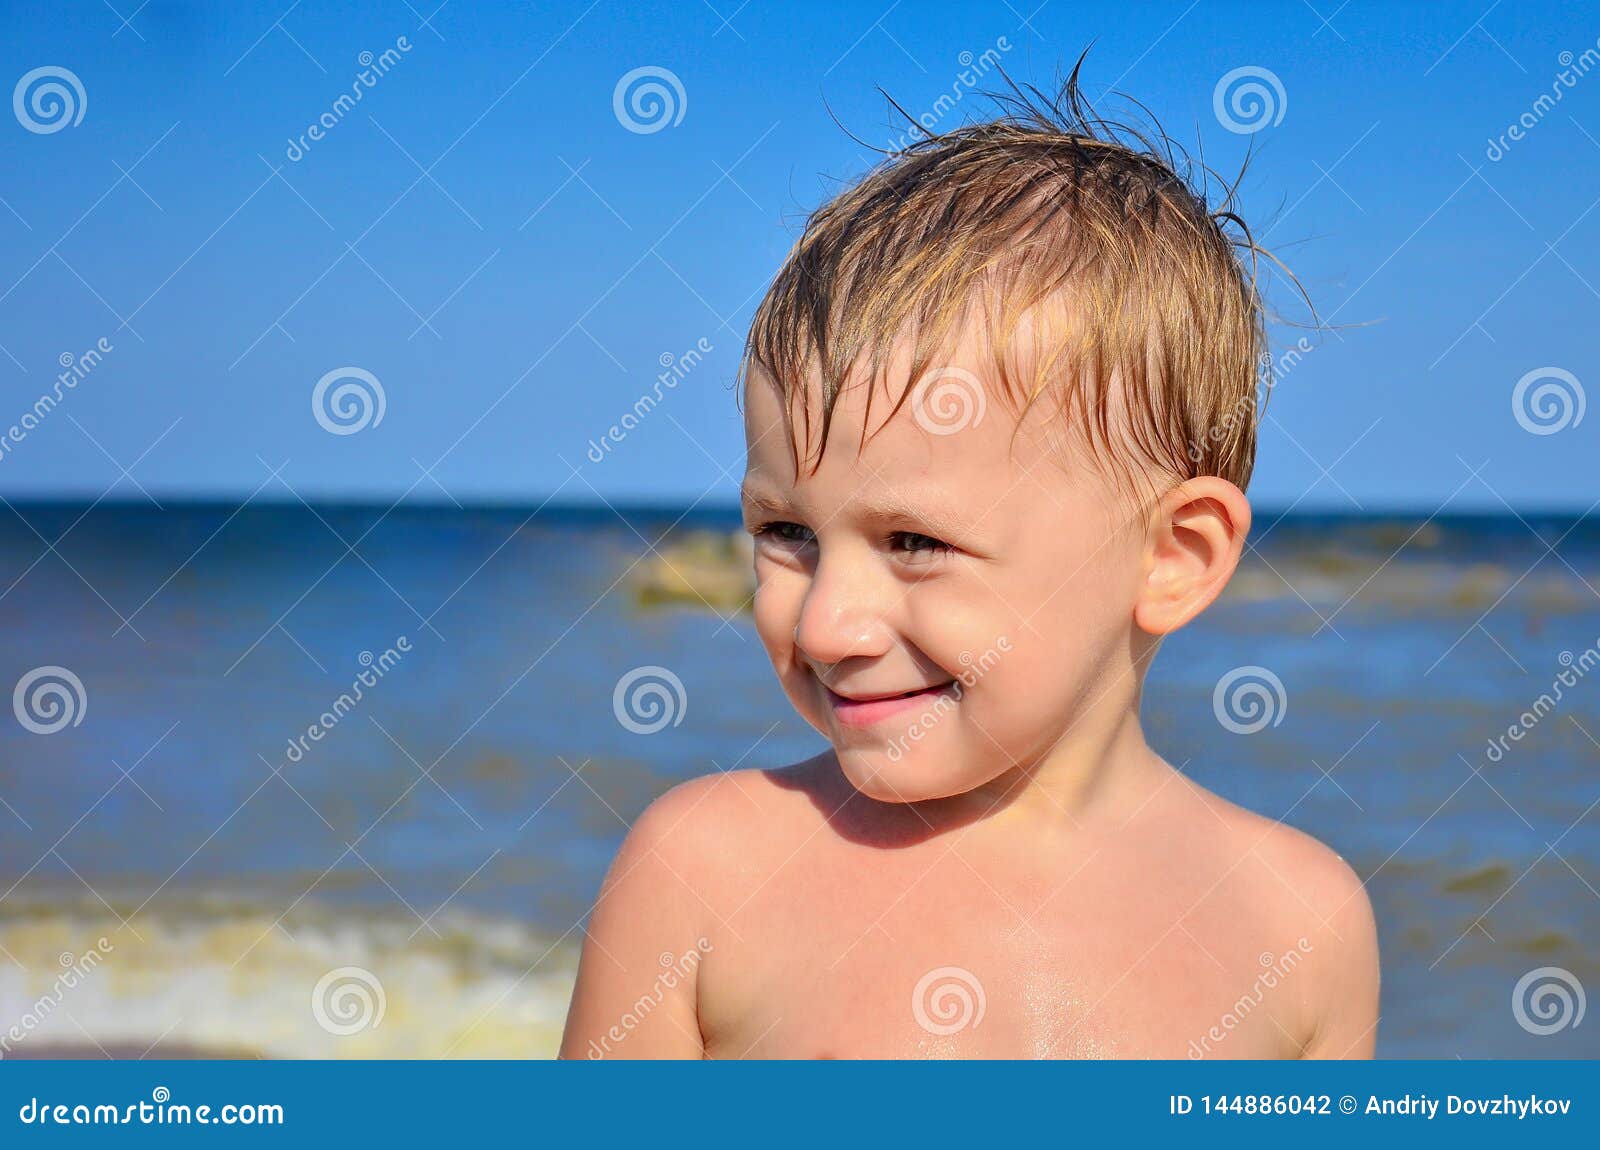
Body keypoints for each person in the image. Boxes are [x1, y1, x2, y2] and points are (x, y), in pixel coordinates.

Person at [560, 67, 1380, 1059]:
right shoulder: (706, 872)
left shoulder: (1297, 926)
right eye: (787, 534)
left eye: (914, 543)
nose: (824, 625)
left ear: (1174, 555)